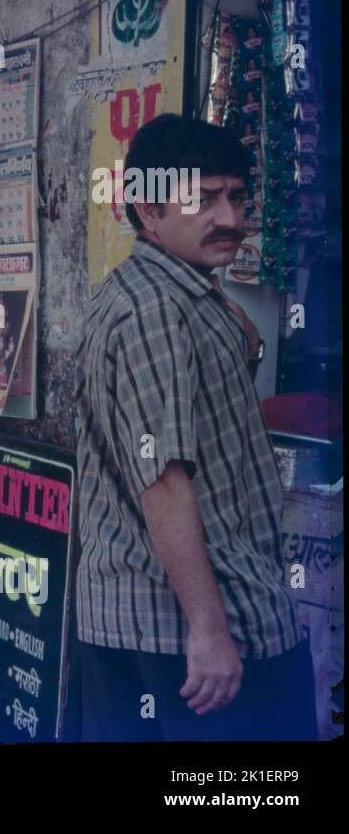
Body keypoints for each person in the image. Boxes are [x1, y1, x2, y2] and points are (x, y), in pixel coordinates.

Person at [74, 114, 313, 742]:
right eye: (203, 199)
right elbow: (165, 482)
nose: (231, 218)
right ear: (149, 211)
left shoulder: (166, 295)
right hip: (191, 633)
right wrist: (209, 631)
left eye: (236, 196)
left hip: (139, 621)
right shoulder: (158, 309)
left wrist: (238, 334)